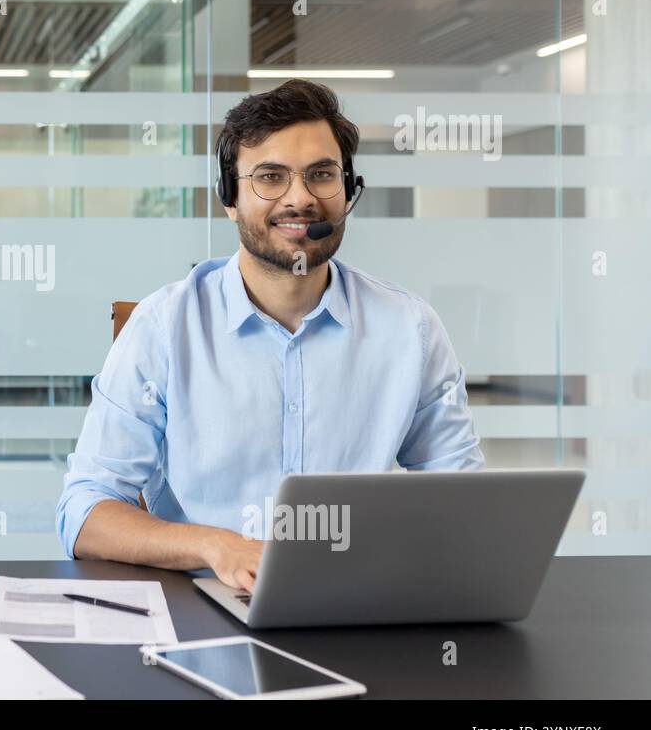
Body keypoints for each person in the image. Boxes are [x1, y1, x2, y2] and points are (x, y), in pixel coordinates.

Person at [58, 80, 484, 591]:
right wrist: (216, 546)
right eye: (270, 177)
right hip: (207, 603)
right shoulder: (163, 327)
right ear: (229, 198)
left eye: (322, 175)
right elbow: (85, 511)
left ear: (348, 191)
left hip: (358, 604)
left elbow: (462, 503)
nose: (300, 198)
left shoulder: (409, 328)